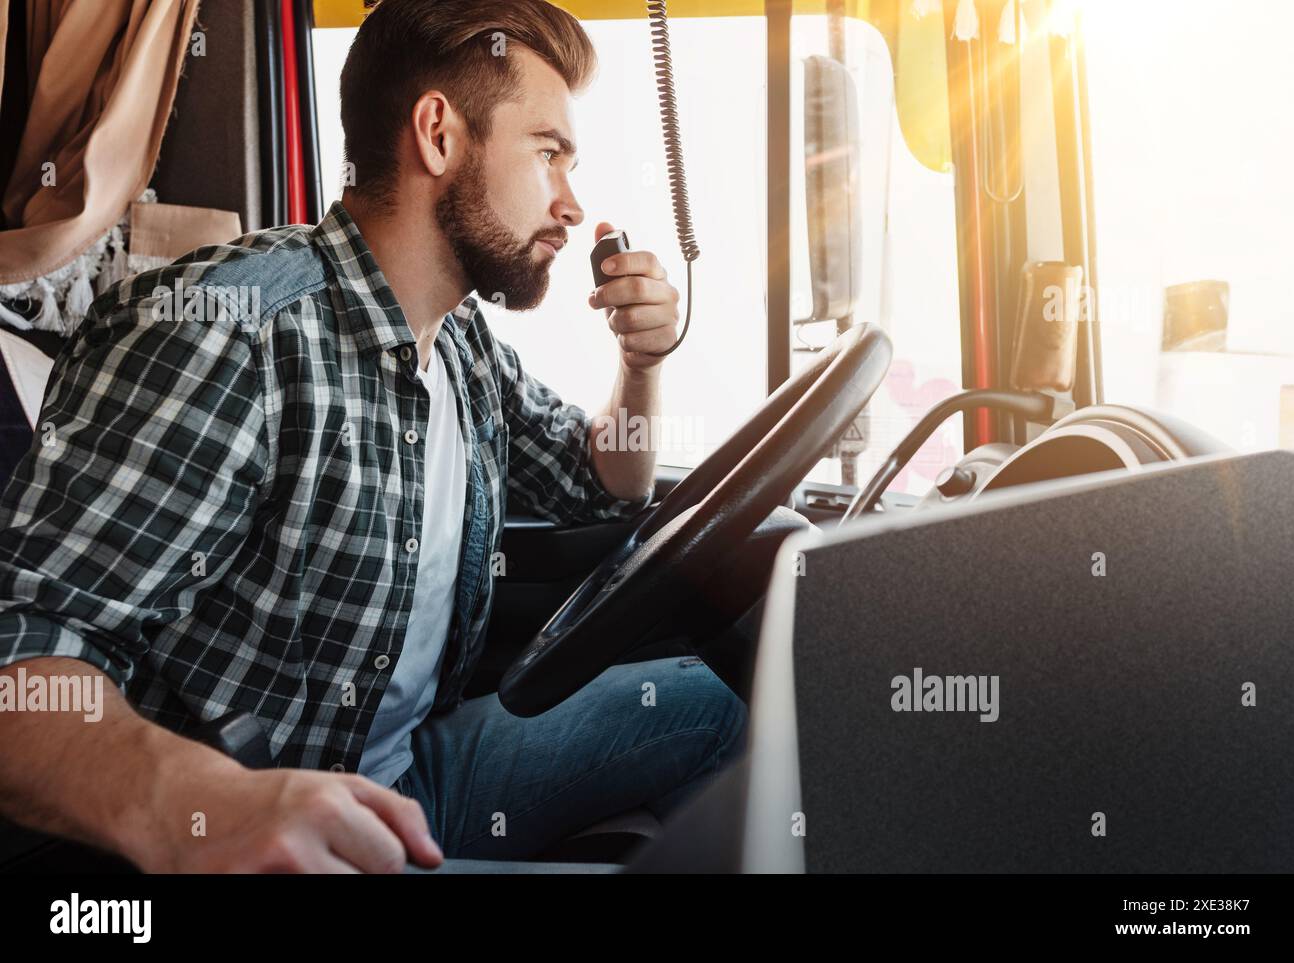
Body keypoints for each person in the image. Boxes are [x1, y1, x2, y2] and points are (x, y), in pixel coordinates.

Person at [0, 0, 746, 872]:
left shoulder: (459, 343)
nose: (572, 204)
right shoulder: (225, 334)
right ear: (439, 134)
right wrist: (211, 805)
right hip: (255, 828)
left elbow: (602, 481)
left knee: (729, 699)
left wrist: (642, 361)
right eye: (548, 153)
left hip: (406, 774)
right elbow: (24, 656)